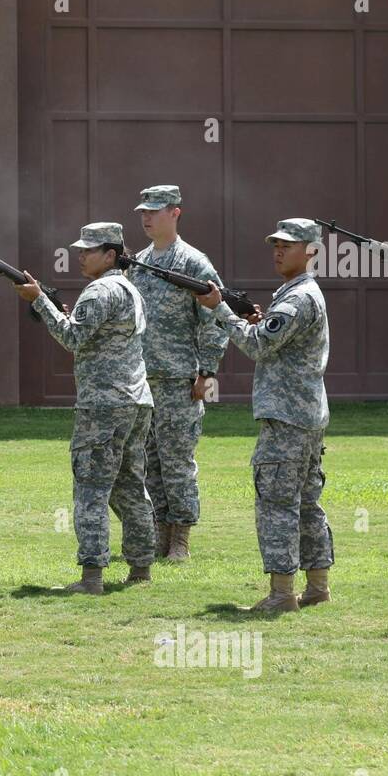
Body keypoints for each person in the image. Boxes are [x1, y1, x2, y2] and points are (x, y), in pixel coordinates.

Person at [194, 218, 332, 613]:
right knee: (307, 503)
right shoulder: (300, 294)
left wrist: (220, 309)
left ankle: (282, 593)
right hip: (306, 414)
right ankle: (317, 586)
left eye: (287, 245)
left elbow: (257, 345)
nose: (277, 250)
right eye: (275, 244)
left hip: (287, 419)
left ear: (311, 251)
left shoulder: (296, 298)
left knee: (277, 504)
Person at [16, 222, 155, 595]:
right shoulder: (130, 289)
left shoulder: (100, 289)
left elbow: (72, 337)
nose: (80, 256)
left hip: (104, 404)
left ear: (110, 254)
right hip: (135, 400)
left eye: (88, 251)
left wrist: (39, 301)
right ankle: (141, 568)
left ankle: (92, 576)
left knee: (91, 488)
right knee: (129, 486)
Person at [130, 184, 229, 561]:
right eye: (143, 211)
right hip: (144, 380)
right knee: (149, 462)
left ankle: (181, 539)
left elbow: (213, 321)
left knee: (177, 461)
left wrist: (206, 372)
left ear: (175, 213)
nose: (146, 217)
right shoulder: (139, 262)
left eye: (154, 211)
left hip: (179, 379)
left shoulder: (192, 263)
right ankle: (159, 534)